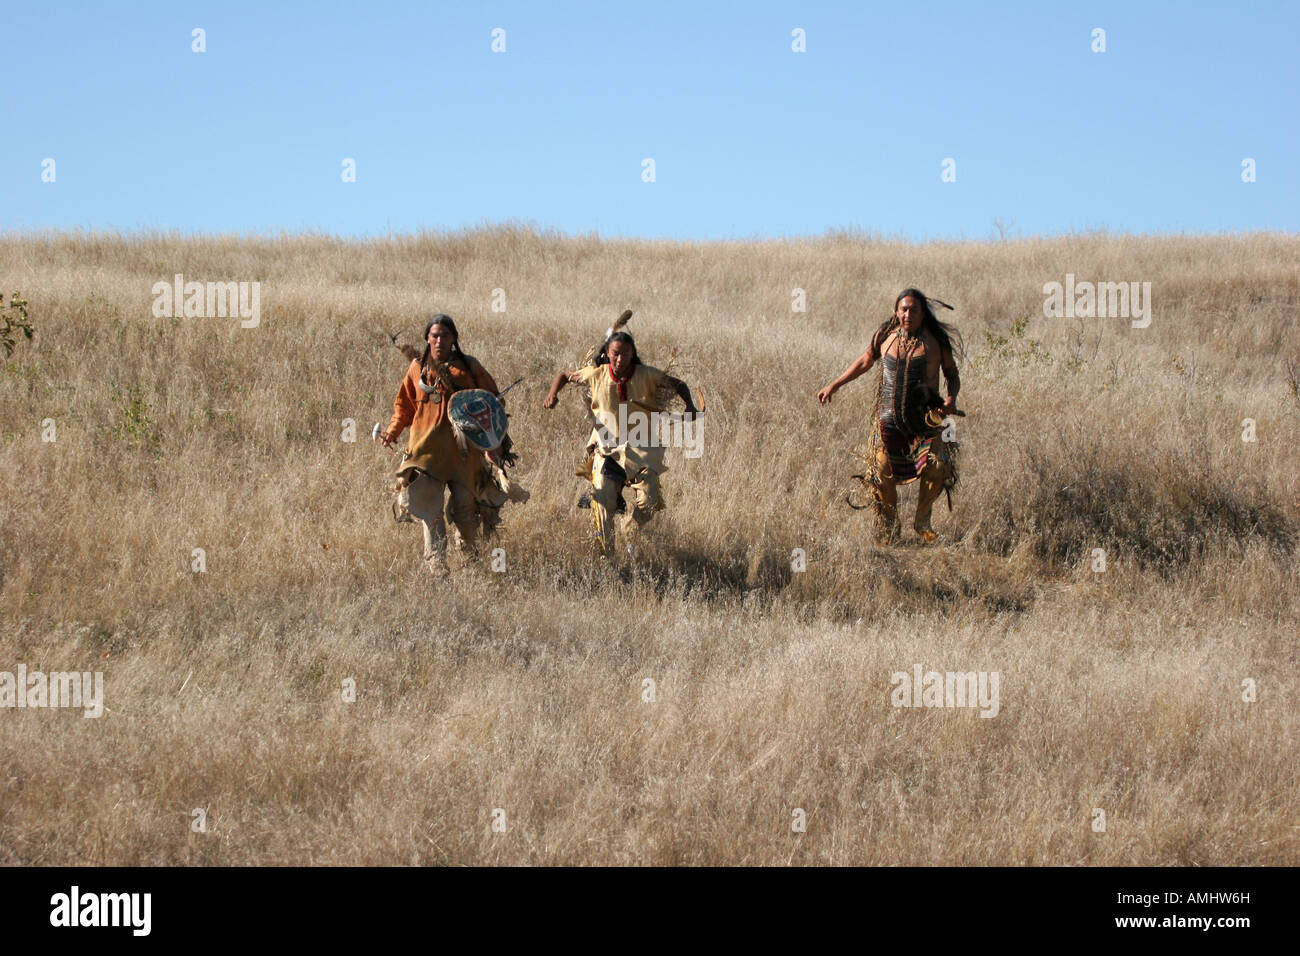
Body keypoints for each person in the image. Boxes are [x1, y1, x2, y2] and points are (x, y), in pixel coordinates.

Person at [817, 289, 963, 543]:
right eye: (903, 309)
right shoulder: (885, 336)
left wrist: (951, 399)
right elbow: (865, 361)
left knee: (936, 467)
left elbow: (951, 375)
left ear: (923, 313)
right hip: (888, 421)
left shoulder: (935, 342)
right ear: (896, 311)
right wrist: (835, 384)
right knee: (881, 471)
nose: (908, 314)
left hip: (926, 422)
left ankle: (922, 523)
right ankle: (890, 528)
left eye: (914, 310)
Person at [543, 329, 697, 559]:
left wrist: (690, 407)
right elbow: (565, 375)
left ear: (633, 354)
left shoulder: (647, 375)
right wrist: (552, 394)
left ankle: (629, 528)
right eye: (615, 353)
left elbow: (679, 384)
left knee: (651, 502)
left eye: (626, 354)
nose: (620, 359)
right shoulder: (596, 374)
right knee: (602, 508)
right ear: (607, 353)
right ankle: (609, 562)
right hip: (607, 452)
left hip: (641, 453)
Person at [379, 314, 500, 576]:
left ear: (454, 338)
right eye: (434, 335)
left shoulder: (469, 368)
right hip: (426, 455)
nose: (439, 340)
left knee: (465, 513)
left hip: (463, 457)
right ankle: (437, 568)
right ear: (427, 339)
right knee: (430, 513)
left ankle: (470, 565)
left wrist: (492, 441)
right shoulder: (417, 368)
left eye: (445, 335)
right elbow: (404, 406)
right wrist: (392, 431)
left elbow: (494, 402)